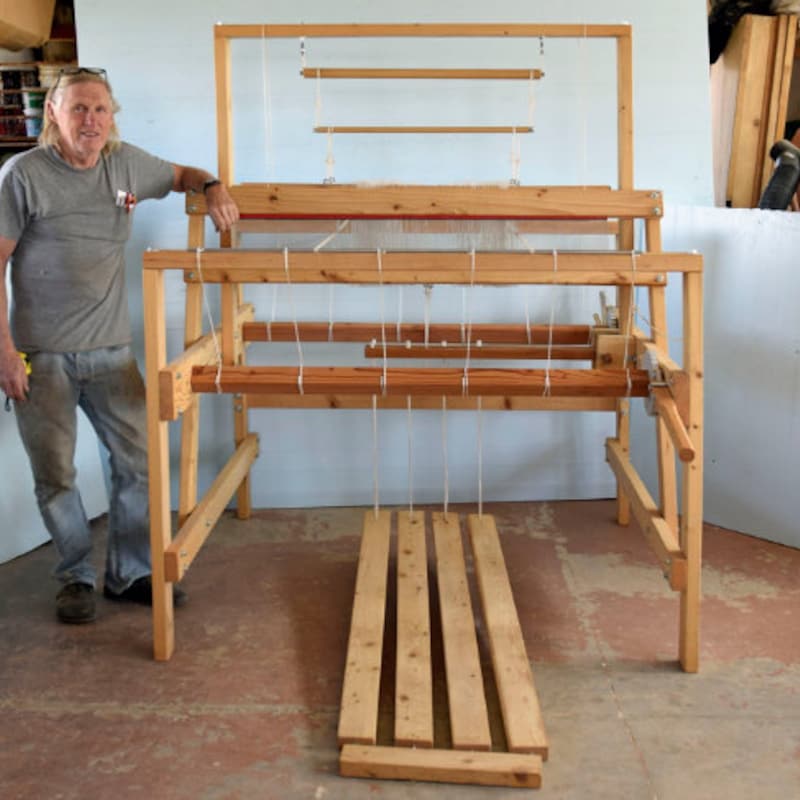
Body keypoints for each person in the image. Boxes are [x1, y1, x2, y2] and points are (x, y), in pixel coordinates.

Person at [0, 67, 239, 624]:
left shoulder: (127, 162)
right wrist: (6, 353)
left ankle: (129, 573)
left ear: (113, 117)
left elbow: (186, 174)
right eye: (78, 108)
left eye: (101, 110)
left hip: (111, 350)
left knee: (137, 463)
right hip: (43, 357)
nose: (91, 120)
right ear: (53, 114)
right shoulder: (22, 175)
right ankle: (76, 576)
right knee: (56, 474)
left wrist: (213, 187)